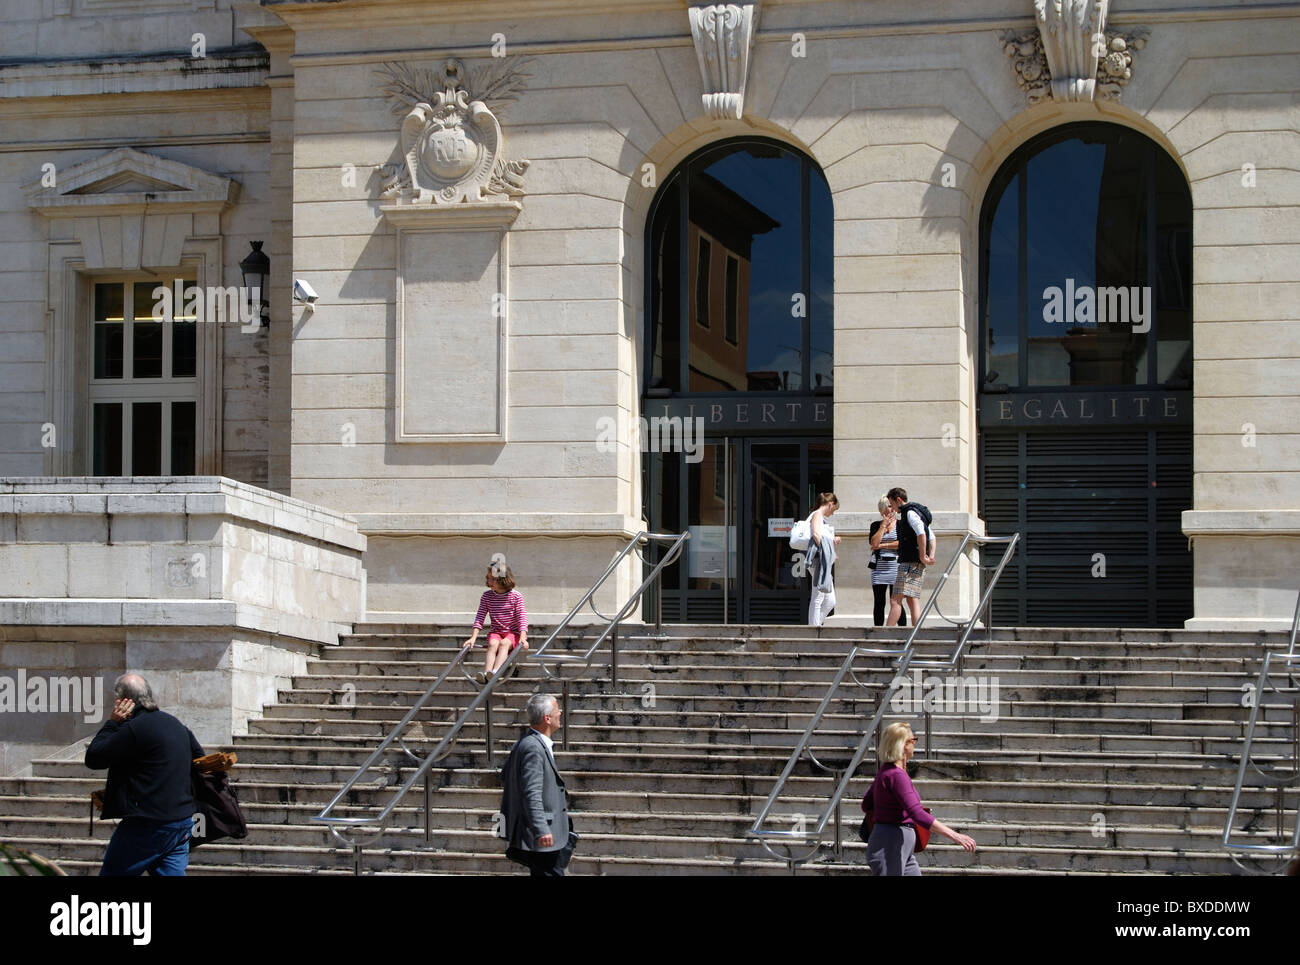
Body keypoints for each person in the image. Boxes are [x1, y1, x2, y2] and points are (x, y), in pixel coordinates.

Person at [85, 673, 204, 876]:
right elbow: (199, 759)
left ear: (123, 701)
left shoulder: (133, 728)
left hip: (147, 824)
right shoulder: (176, 724)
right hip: (181, 821)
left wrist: (113, 722)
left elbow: (94, 757)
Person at [862, 721, 976, 875]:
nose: (915, 743)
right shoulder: (896, 775)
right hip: (890, 843)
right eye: (912, 740)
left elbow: (866, 804)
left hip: (897, 842)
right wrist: (955, 835)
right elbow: (916, 813)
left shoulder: (887, 772)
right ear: (903, 745)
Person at [500, 692, 576, 876]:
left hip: (545, 833)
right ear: (547, 718)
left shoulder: (527, 743)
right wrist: (541, 829)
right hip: (544, 834)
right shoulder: (533, 748)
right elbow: (531, 792)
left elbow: (505, 775)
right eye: (557, 710)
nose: (561, 713)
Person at [466, 554, 529, 684]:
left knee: (504, 643)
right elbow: (480, 616)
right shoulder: (487, 596)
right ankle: (486, 673)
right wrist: (473, 637)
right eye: (488, 579)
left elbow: (522, 617)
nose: (489, 582)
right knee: (493, 644)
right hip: (496, 632)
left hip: (513, 633)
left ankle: (495, 672)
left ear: (502, 579)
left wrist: (523, 637)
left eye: (493, 579)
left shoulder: (516, 596)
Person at [885, 487, 935, 628]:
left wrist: (922, 556)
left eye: (892, 503)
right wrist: (929, 556)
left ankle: (885, 632)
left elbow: (922, 533)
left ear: (898, 500)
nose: (893, 508)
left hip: (909, 562)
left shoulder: (909, 513)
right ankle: (916, 633)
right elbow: (932, 536)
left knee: (895, 600)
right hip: (916, 562)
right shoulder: (917, 513)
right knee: (912, 600)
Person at [868, 497, 907, 628]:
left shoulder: (901, 524)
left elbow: (901, 544)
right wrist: (883, 526)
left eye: (892, 506)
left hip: (896, 566)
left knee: (896, 601)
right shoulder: (875, 525)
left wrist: (883, 545)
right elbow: (873, 543)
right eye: (888, 506)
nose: (891, 509)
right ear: (882, 509)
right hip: (879, 567)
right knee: (879, 601)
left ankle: (902, 630)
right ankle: (878, 630)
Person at [806, 492, 842, 627]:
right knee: (818, 597)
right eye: (834, 509)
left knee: (830, 600)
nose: (833, 513)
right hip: (818, 560)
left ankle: (816, 625)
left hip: (822, 560)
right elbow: (816, 534)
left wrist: (832, 543)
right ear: (830, 504)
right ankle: (813, 629)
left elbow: (819, 536)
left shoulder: (819, 516)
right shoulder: (817, 514)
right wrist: (829, 551)